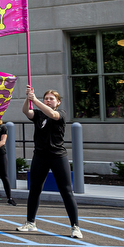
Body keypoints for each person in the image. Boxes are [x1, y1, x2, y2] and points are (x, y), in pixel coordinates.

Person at [18, 86, 81, 238]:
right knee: (35, 189)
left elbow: (52, 114)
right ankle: (30, 222)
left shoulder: (61, 113)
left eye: (51, 99)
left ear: (58, 102)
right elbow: (26, 111)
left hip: (57, 156)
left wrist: (36, 100)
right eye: (46, 98)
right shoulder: (39, 114)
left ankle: (75, 227)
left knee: (66, 191)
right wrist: (28, 97)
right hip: (40, 156)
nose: (48, 100)